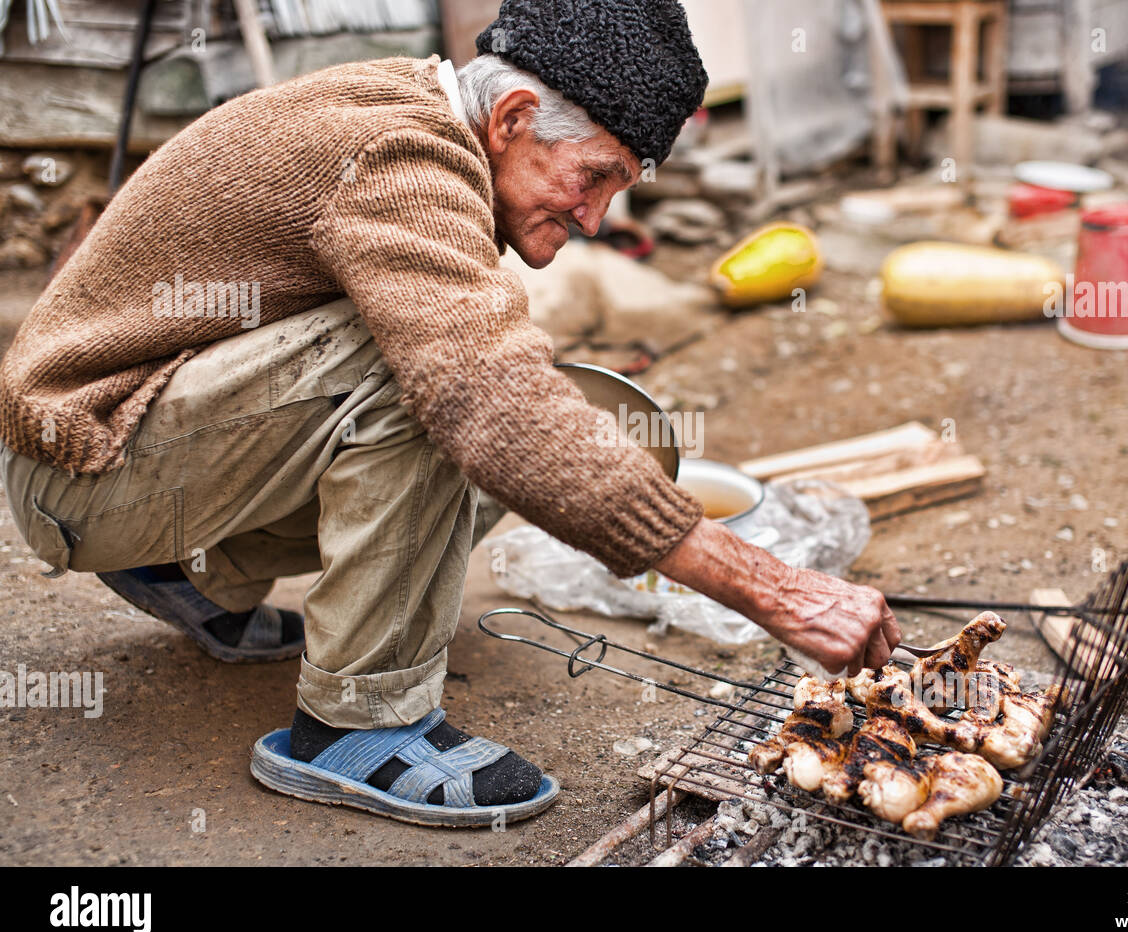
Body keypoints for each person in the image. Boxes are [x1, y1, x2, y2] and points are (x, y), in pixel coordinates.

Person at [0, 0, 900, 826]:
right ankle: (358, 725)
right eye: (593, 177)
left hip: (140, 447)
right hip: (90, 454)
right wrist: (776, 589)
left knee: (532, 402)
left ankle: (191, 568)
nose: (593, 218)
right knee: (450, 387)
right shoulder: (401, 156)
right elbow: (485, 397)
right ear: (511, 119)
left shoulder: (427, 120)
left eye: (619, 189)